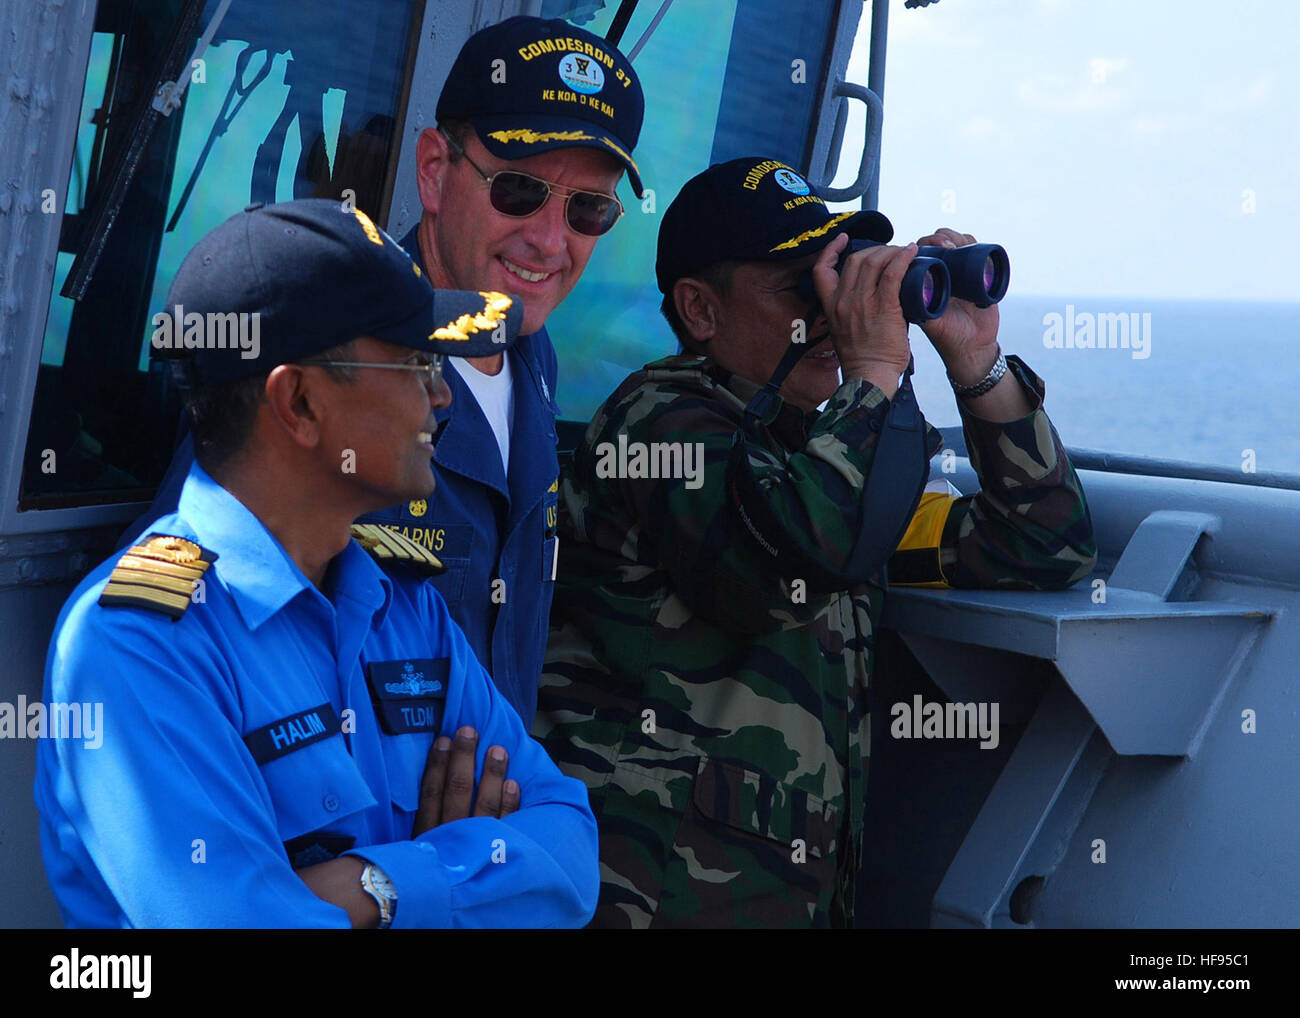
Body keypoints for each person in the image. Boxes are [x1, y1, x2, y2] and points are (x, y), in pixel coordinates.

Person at [532, 157, 1098, 928]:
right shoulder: (658, 425)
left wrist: (976, 363)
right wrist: (872, 375)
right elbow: (783, 560)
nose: (836, 313)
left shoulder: (825, 451)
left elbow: (1042, 545)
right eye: (805, 290)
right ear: (701, 310)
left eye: (847, 280)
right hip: (646, 897)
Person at [33, 199, 599, 929]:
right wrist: (457, 873)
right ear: (298, 402)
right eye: (415, 361)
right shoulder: (137, 643)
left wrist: (375, 887)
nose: (442, 393)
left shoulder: (405, 607)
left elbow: (570, 845)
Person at [120, 16, 645, 730]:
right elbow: (162, 633)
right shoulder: (327, 358)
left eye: (589, 210)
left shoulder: (531, 356)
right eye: (518, 191)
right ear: (435, 171)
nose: (551, 241)